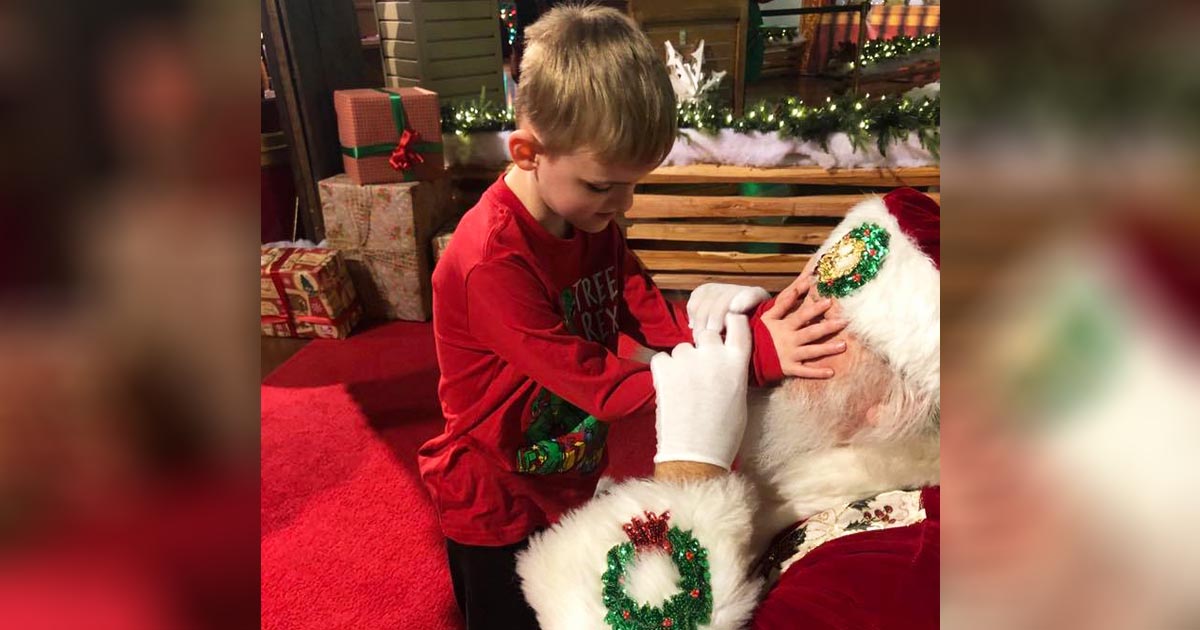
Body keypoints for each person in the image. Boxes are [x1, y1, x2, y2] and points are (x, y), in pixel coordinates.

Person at [417, 6, 848, 629]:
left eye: (633, 185)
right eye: (601, 186)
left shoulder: (585, 220)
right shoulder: (490, 260)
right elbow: (598, 380)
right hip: (495, 495)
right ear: (527, 152)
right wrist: (749, 361)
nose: (621, 205)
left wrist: (746, 336)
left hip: (564, 471)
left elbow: (646, 311)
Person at [516, 188, 941, 629]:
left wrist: (690, 476)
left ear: (894, 403)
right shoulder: (849, 472)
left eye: (822, 326)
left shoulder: (888, 575)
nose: (789, 327)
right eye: (799, 298)